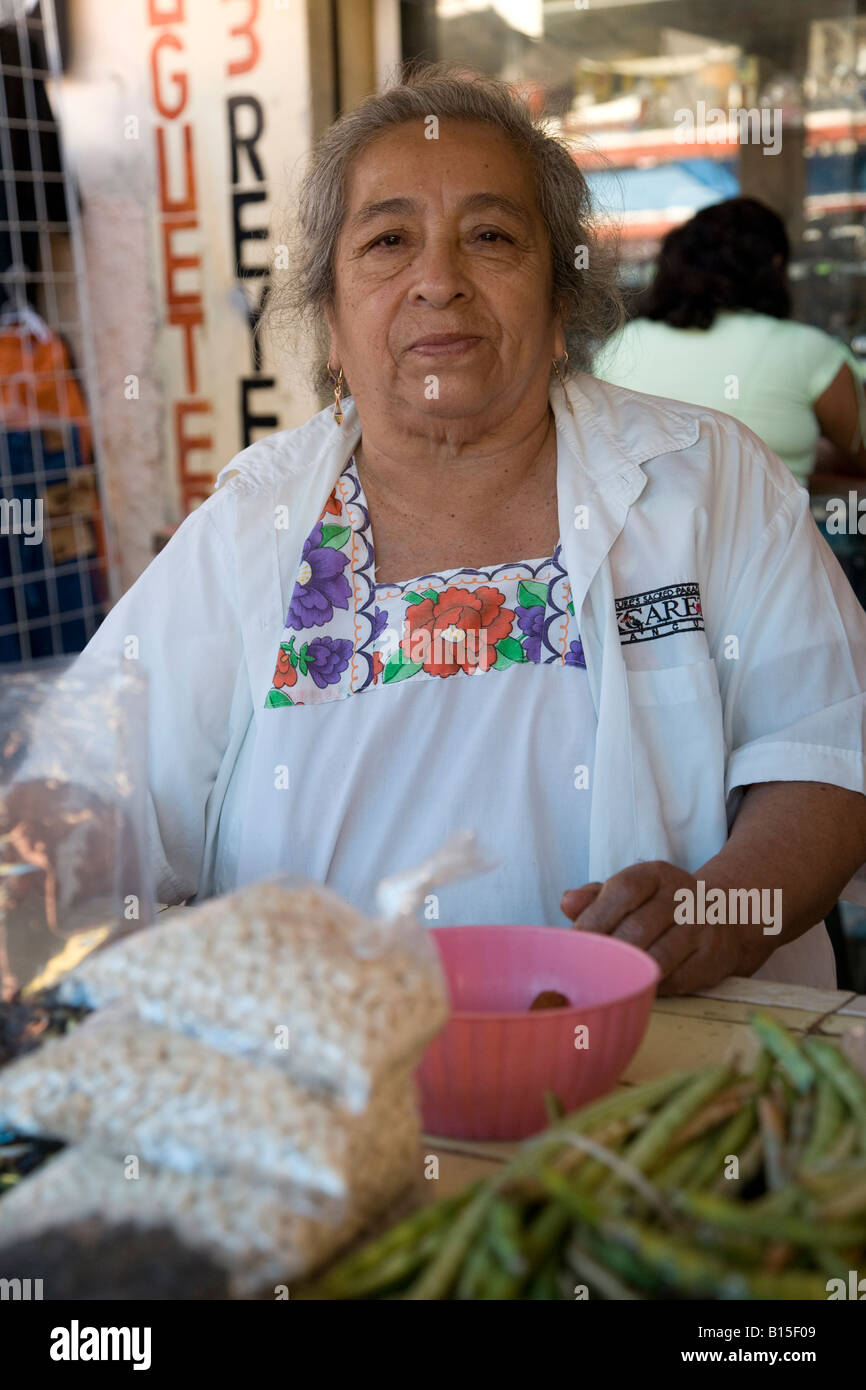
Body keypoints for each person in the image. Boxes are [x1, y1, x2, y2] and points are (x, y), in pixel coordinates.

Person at [5, 64, 866, 995]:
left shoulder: (708, 476)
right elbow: (87, 792)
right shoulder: (252, 525)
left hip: (666, 1089)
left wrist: (720, 911)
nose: (439, 281)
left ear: (562, 298)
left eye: (491, 236)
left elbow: (827, 754)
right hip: (331, 1100)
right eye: (387, 241)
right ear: (331, 322)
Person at [594, 197, 866, 487]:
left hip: (632, 531)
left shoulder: (625, 342)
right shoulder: (807, 349)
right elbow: (860, 452)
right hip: (765, 530)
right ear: (776, 266)